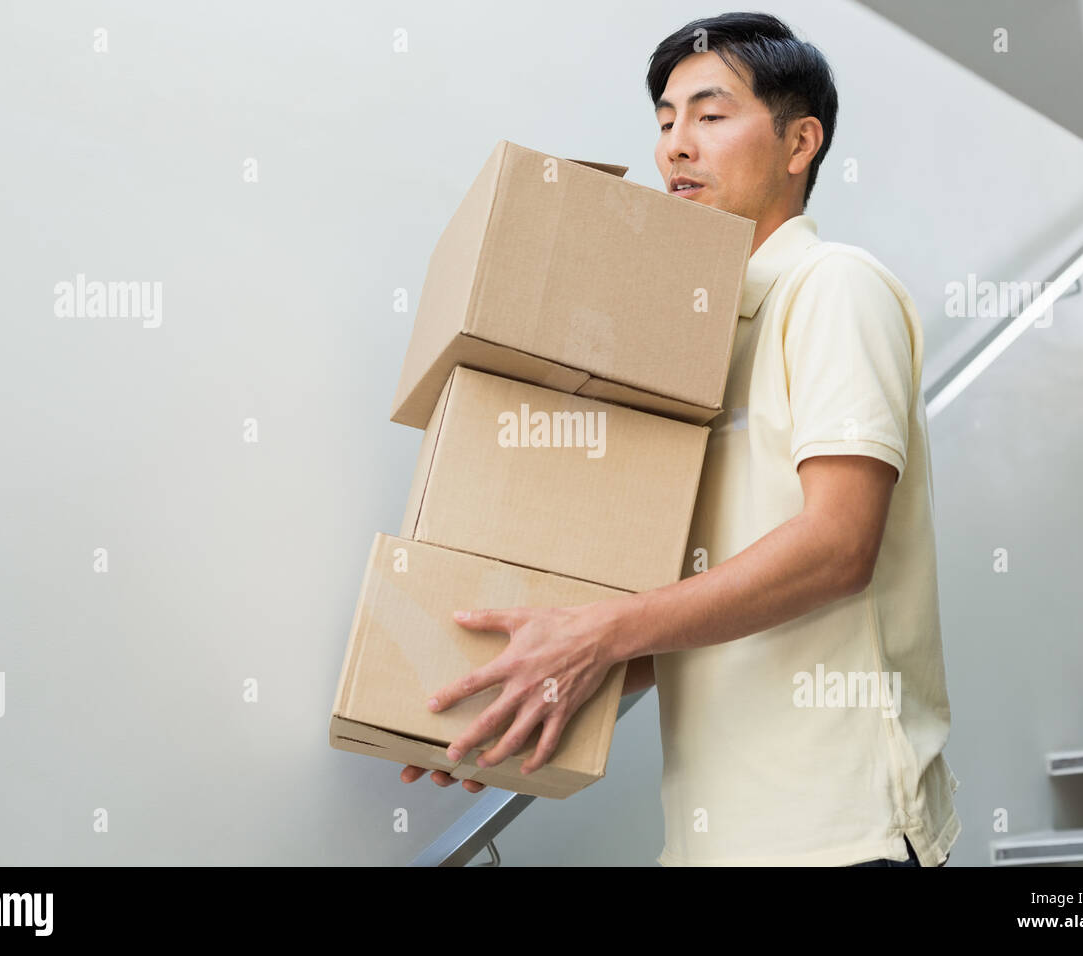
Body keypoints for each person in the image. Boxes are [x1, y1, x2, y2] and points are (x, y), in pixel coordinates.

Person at [403, 11, 959, 868]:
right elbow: (693, 611)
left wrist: (601, 632)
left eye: (710, 114)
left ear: (799, 141)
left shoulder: (833, 288)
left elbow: (839, 545)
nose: (675, 147)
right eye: (665, 121)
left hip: (839, 836)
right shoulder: (691, 346)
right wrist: (513, 693)